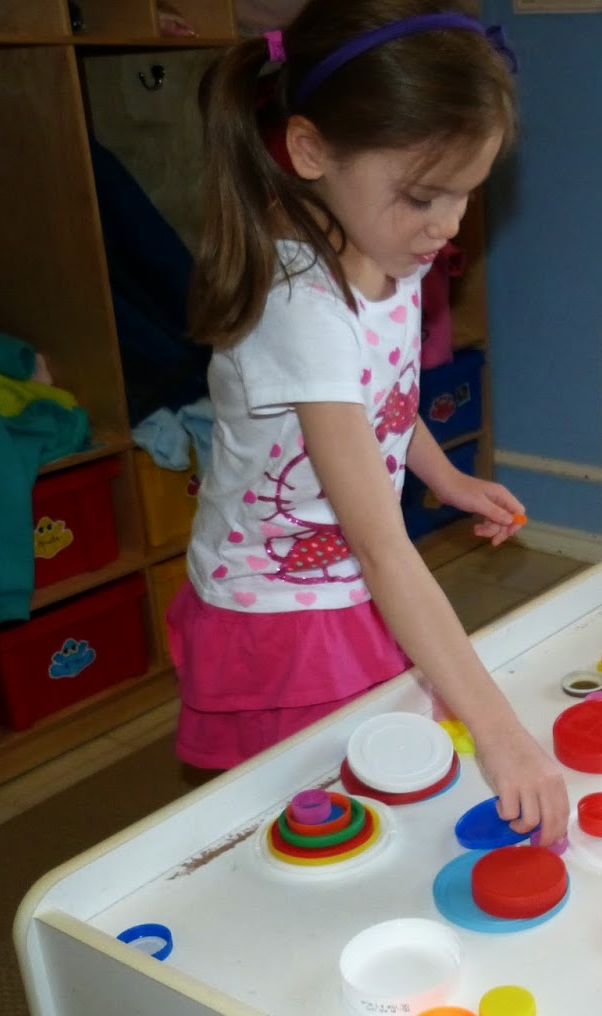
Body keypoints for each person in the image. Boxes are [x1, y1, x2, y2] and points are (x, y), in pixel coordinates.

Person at [173, 0, 567, 841]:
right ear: (311, 150)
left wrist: (445, 475)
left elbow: (381, 401)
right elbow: (386, 549)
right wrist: (501, 734)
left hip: (345, 581)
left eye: (467, 194)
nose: (449, 226)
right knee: (311, 822)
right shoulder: (302, 309)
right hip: (280, 612)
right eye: (425, 196)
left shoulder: (391, 249)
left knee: (374, 800)